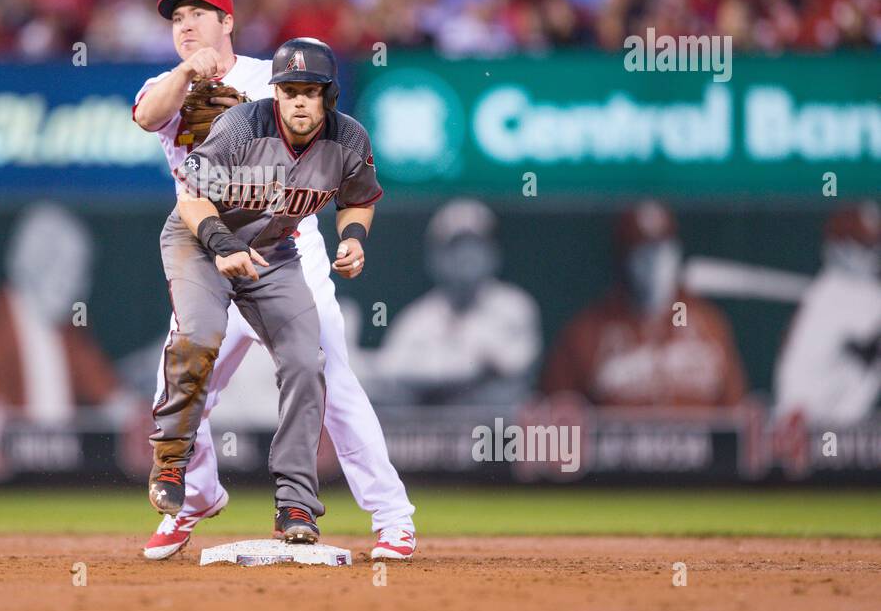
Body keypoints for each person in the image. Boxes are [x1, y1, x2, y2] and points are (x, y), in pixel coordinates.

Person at [135, 0, 415, 560]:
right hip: (208, 238)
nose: (186, 26)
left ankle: (392, 518)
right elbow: (147, 116)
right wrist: (187, 74)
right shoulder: (167, 83)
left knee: (326, 373)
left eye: (199, 14)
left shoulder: (274, 74)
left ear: (228, 22)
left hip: (287, 241)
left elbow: (331, 130)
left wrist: (352, 236)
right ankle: (195, 498)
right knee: (183, 377)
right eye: (177, 18)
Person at [541, 200, 747, 407]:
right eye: (643, 255)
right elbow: (555, 413)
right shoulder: (588, 331)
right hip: (618, 429)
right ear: (623, 260)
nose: (655, 266)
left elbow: (735, 410)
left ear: (677, 254)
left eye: (664, 252)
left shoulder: (708, 324)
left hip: (697, 428)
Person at [0, 202, 122, 421]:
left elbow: (108, 391)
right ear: (25, 263)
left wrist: (130, 411)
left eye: (79, 272)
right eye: (60, 266)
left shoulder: (70, 329)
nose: (72, 284)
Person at [378, 198, 541, 405]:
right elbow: (389, 376)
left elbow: (513, 367)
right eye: (454, 248)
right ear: (434, 258)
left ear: (494, 253)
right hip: (437, 425)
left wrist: (430, 372)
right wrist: (472, 365)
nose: (466, 257)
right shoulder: (417, 318)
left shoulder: (515, 307)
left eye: (476, 246)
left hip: (500, 424)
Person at [774, 202, 881, 426]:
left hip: (834, 417)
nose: (873, 252)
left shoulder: (847, 288)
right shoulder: (835, 290)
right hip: (808, 416)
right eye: (865, 244)